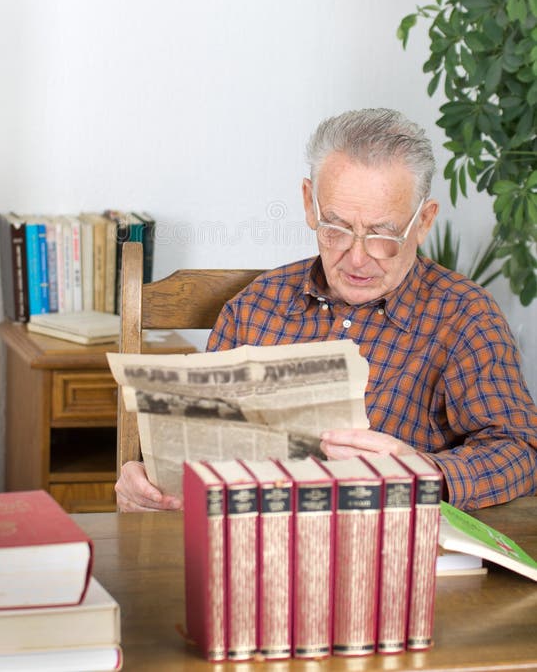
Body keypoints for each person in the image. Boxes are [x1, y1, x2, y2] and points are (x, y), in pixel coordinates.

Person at [115, 108, 537, 513]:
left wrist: (425, 473)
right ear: (308, 204)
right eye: (335, 228)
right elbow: (195, 451)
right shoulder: (254, 307)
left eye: (383, 235)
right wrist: (147, 482)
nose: (356, 258)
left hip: (383, 558)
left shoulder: (464, 316)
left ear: (423, 221)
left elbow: (522, 451)